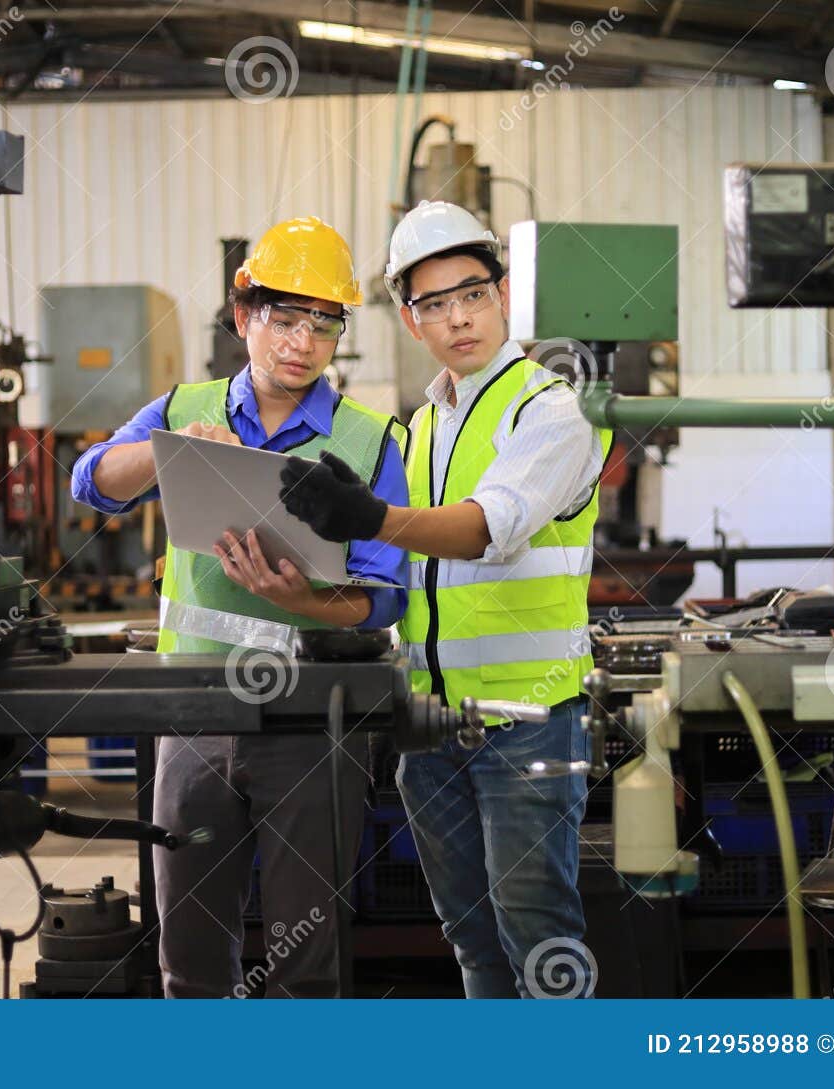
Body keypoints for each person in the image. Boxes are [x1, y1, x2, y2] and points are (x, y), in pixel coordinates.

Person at [71, 216, 409, 997]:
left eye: (324, 324)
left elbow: (385, 594)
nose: (302, 341)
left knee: (306, 960)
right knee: (188, 954)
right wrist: (163, 454)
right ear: (242, 317)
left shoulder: (370, 441)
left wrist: (308, 600)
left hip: (310, 722)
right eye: (285, 318)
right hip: (191, 713)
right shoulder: (184, 407)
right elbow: (89, 480)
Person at [279, 201, 610, 998]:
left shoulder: (551, 409)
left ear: (503, 293)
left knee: (538, 936)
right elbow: (407, 569)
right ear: (409, 319)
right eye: (435, 304)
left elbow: (485, 528)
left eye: (473, 293)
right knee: (470, 937)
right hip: (431, 728)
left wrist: (371, 514)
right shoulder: (423, 424)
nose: (459, 317)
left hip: (526, 726)